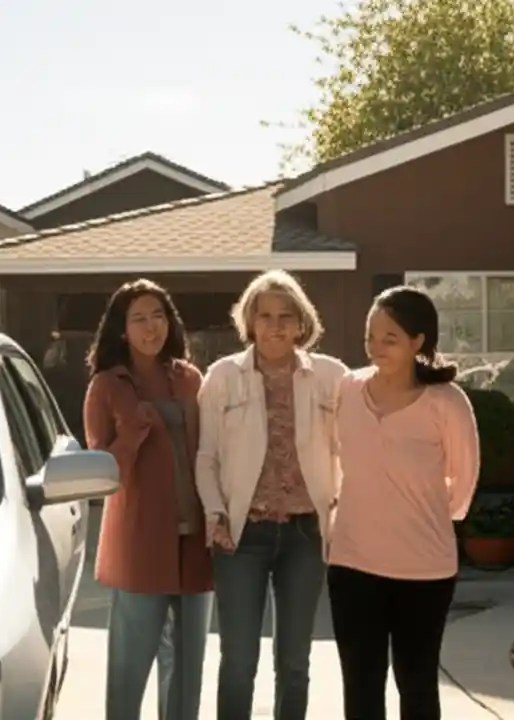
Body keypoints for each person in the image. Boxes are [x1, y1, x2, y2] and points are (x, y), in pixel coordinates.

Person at [193, 269, 347, 720]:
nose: (276, 326)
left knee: (294, 664)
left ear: (302, 323)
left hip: (306, 534)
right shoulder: (223, 377)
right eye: (265, 316)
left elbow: (353, 449)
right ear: (249, 322)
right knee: (239, 661)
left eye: (286, 316)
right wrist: (215, 514)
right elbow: (206, 458)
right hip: (241, 536)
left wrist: (340, 514)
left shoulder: (331, 376)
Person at [327, 285, 480, 720]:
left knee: (416, 685)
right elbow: (331, 460)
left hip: (424, 570)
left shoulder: (448, 403)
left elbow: (463, 486)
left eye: (389, 338)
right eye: (370, 337)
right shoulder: (347, 389)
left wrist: (418, 519)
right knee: (360, 687)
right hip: (353, 563)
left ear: (418, 342)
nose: (376, 348)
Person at [83, 278, 214, 720]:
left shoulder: (191, 378)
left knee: (187, 670)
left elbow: (211, 453)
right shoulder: (106, 386)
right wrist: (133, 433)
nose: (150, 326)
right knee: (128, 668)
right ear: (122, 328)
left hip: (193, 539)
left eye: (158, 315)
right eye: (138, 318)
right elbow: (100, 472)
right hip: (138, 542)